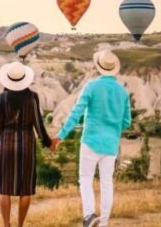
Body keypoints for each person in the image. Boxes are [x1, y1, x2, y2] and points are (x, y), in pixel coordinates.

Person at [56, 50, 131, 227]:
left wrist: (61, 135)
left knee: (85, 178)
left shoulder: (91, 86)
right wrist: (113, 128)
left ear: (99, 67)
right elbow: (127, 122)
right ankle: (103, 222)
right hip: (111, 145)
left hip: (90, 142)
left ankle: (89, 216)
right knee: (107, 183)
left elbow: (76, 113)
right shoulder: (123, 92)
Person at [0, 61, 54, 227]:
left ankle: (6, 225)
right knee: (25, 189)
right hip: (27, 144)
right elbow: (38, 124)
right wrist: (48, 143)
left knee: (5, 188)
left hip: (6, 143)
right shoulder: (33, 97)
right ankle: (20, 225)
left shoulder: (1, 98)